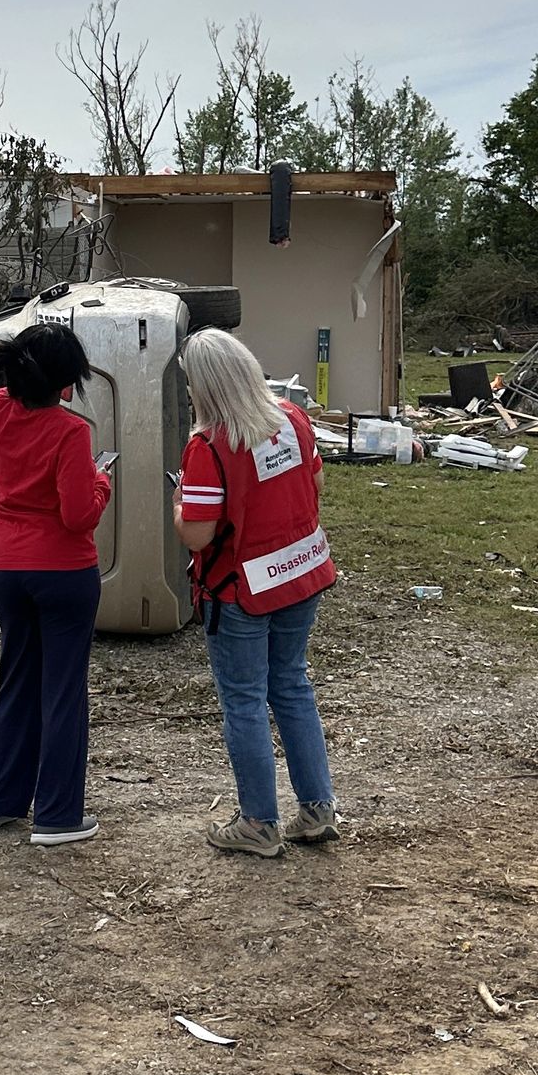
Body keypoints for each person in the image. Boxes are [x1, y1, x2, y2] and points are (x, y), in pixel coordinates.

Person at [173, 328, 339, 859]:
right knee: (291, 686)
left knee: (243, 700)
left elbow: (198, 533)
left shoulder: (208, 446)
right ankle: (317, 809)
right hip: (301, 572)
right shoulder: (292, 418)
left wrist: (178, 504)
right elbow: (313, 488)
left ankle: (258, 824)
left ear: (200, 385)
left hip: (239, 589)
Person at [0, 321, 114, 846]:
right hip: (64, 571)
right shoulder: (71, 432)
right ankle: (57, 815)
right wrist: (101, 481)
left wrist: (16, 387)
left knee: (17, 682)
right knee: (63, 693)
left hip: (7, 567)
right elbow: (78, 516)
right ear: (66, 382)